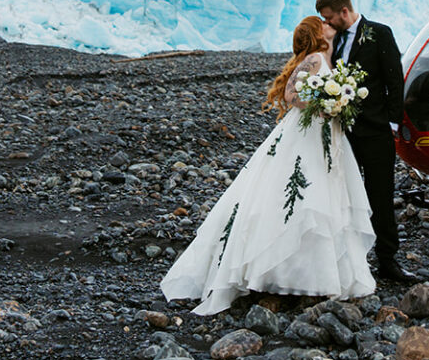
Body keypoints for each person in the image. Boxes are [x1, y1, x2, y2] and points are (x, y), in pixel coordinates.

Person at [160, 16, 376, 315]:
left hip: (323, 132)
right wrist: (322, 102)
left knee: (321, 193)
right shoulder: (314, 59)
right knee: (306, 193)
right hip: (307, 132)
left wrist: (334, 101)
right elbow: (290, 95)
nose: (329, 25)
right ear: (316, 33)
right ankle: (287, 274)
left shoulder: (324, 57)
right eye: (322, 23)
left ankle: (310, 274)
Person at [315, 0, 414, 283]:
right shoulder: (333, 39)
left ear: (345, 11)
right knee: (342, 195)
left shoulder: (379, 33)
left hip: (375, 130)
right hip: (342, 131)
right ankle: (347, 260)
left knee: (380, 194)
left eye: (330, 17)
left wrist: (392, 123)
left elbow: (395, 80)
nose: (327, 23)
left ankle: (387, 260)